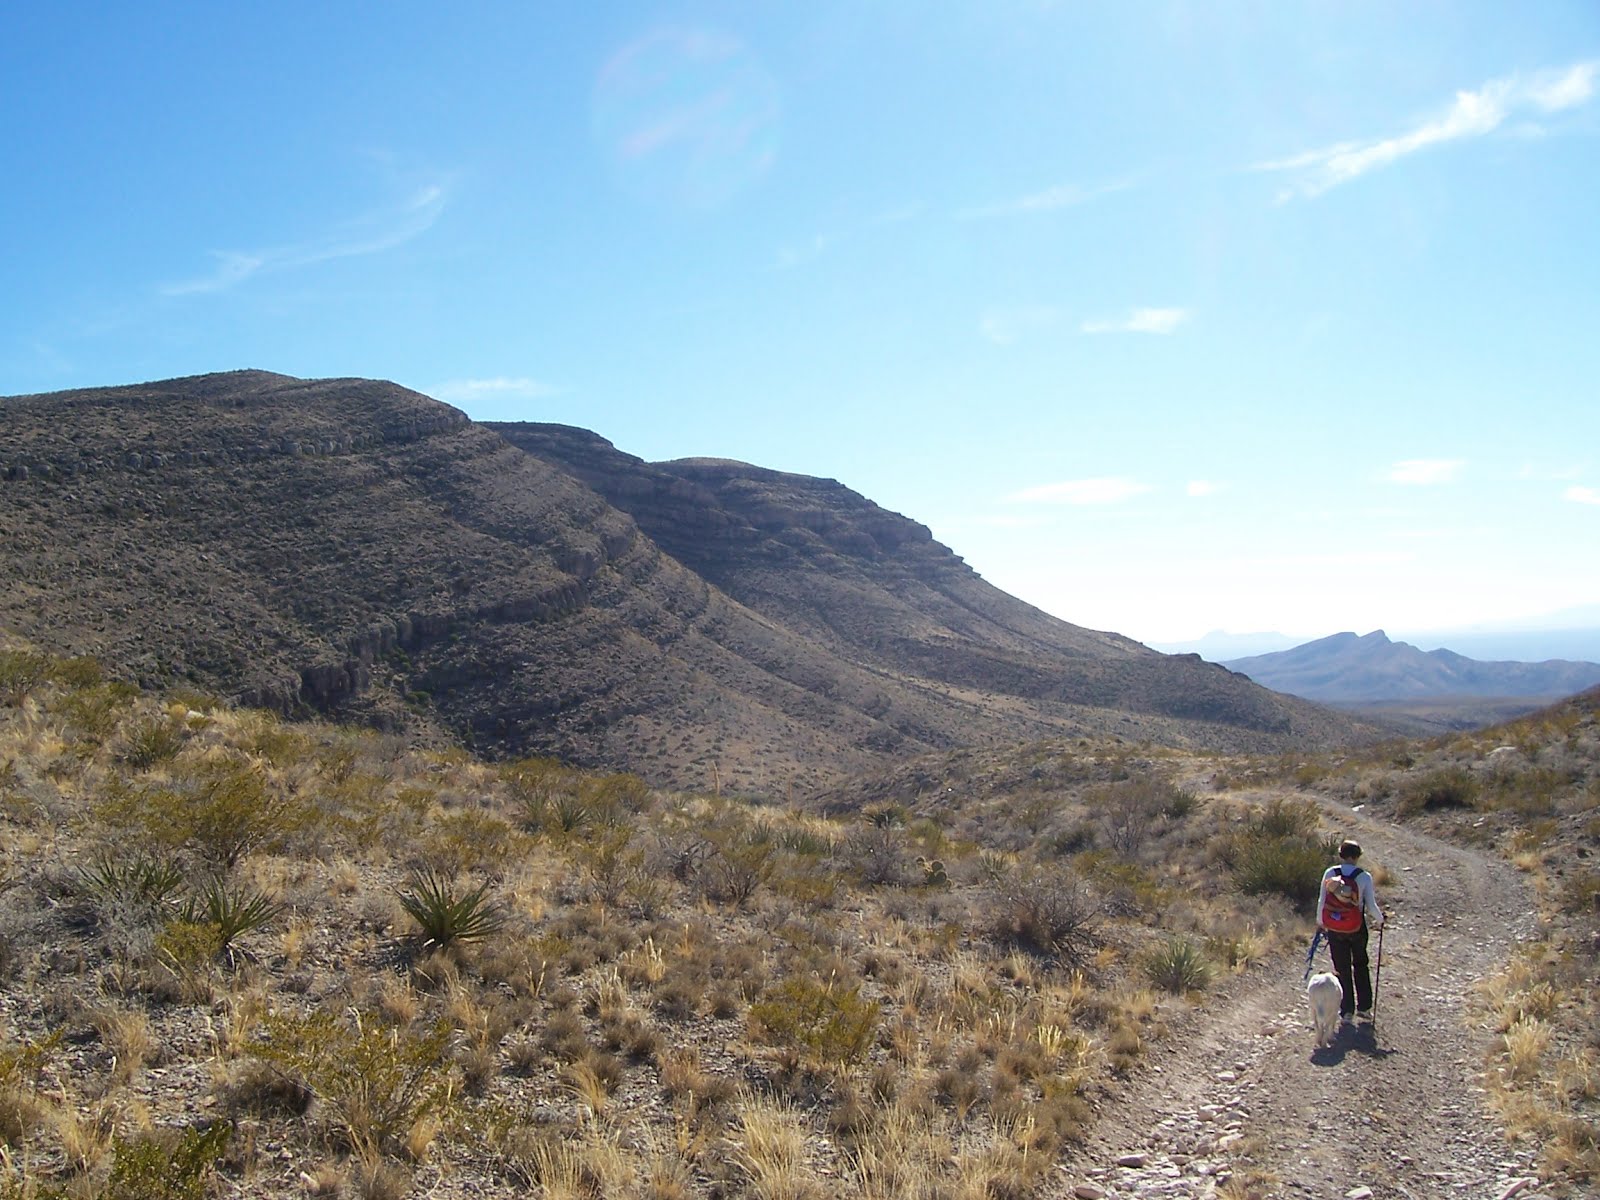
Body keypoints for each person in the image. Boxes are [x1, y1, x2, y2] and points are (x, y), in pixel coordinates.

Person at [1317, 838, 1385, 1021]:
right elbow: (1370, 905)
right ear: (1357, 857)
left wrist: (1321, 922)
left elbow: (1322, 900)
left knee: (1342, 968)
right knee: (1361, 965)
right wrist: (1381, 920)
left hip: (1334, 927)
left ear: (1341, 855)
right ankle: (1364, 1007)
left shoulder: (1330, 873)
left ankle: (1346, 1010)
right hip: (1356, 927)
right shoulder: (1363, 877)